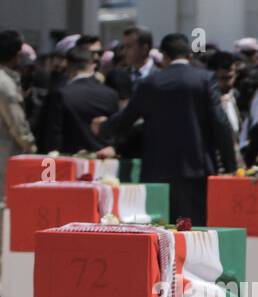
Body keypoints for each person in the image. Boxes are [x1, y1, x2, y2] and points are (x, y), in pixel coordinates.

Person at [94, 33, 236, 225]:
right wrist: (230, 166)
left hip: (156, 172)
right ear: (189, 56)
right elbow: (221, 124)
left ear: (163, 56)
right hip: (196, 170)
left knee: (159, 229)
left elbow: (126, 119)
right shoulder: (204, 79)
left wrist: (102, 128)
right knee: (194, 230)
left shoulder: (151, 83)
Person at [36, 46, 117, 153]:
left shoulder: (60, 95)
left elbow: (53, 136)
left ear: (68, 66)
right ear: (93, 66)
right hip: (103, 163)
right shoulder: (111, 94)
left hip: (70, 163)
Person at [0, 28, 35, 201]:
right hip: (5, 158)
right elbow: (18, 126)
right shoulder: (5, 85)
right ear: (16, 54)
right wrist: (32, 149)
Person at [106, 26, 153, 103]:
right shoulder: (118, 77)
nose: (123, 52)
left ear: (144, 49)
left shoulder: (161, 76)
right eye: (123, 47)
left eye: (129, 47)